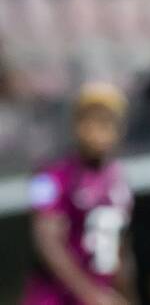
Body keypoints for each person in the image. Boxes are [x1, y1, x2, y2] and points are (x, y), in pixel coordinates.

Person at [21, 81, 135, 305]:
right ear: (76, 124)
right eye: (90, 120)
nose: (97, 130)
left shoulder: (119, 180)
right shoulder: (51, 176)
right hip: (55, 298)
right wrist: (91, 295)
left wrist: (124, 294)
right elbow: (48, 243)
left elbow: (119, 248)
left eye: (106, 122)